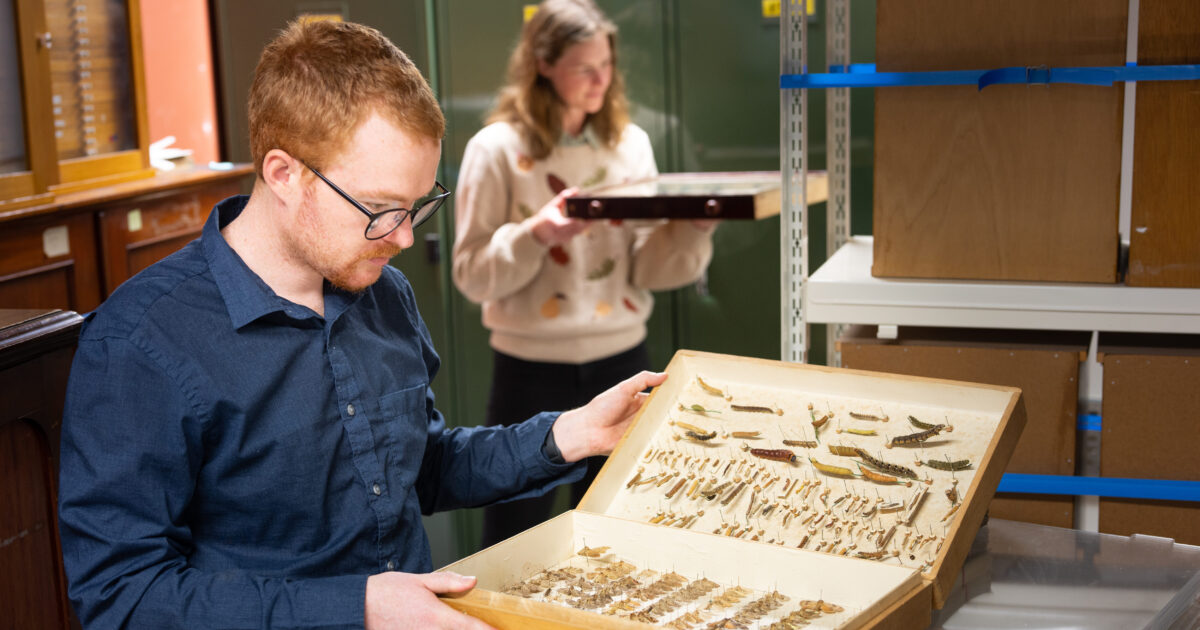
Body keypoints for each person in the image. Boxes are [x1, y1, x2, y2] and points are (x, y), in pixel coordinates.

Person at [57, 19, 665, 630]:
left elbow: (421, 469)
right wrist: (360, 608)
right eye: (378, 210)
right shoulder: (139, 342)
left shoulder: (384, 293)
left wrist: (570, 434)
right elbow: (121, 597)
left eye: (418, 205)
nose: (402, 237)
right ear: (283, 174)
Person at [452, 0, 715, 548]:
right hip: (529, 371)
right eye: (583, 68)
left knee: (618, 531)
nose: (600, 81)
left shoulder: (631, 145)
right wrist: (537, 236)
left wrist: (693, 228)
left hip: (621, 363)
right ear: (543, 64)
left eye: (607, 66)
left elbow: (645, 268)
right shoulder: (495, 149)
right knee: (514, 536)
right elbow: (471, 274)